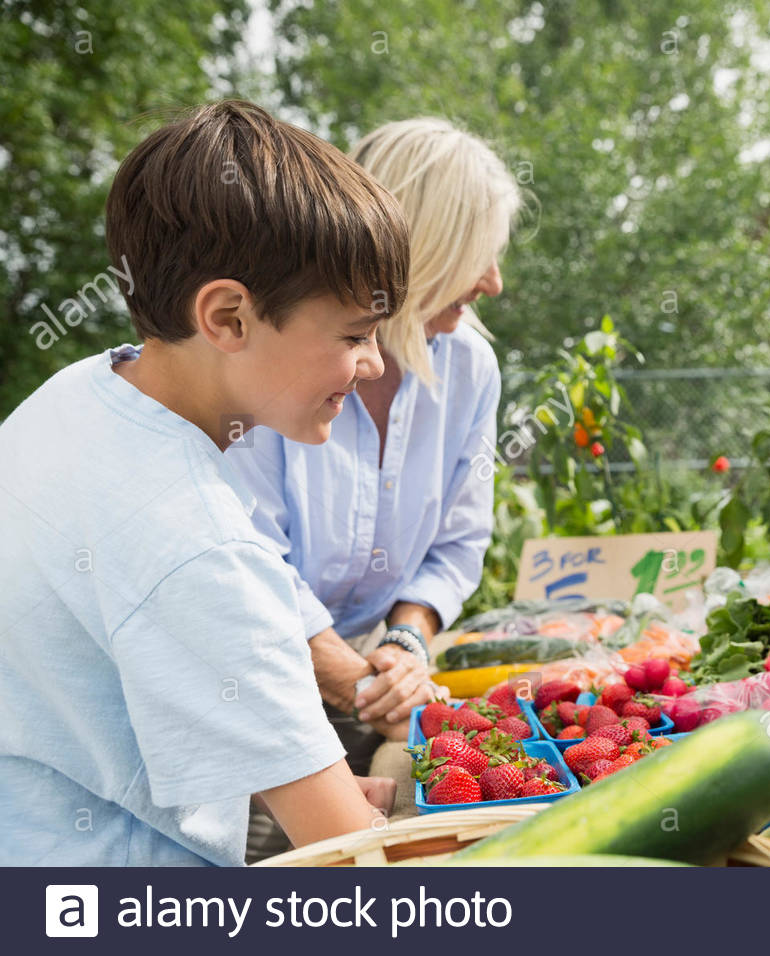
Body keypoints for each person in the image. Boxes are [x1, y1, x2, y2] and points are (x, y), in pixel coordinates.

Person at [0, 101, 409, 865]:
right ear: (227, 318)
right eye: (354, 334)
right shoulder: (200, 544)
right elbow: (357, 864)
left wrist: (290, 773)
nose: (375, 364)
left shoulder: (76, 398)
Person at [228, 118, 521, 856]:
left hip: (366, 662)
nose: (493, 282)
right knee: (270, 857)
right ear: (417, 251)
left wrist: (404, 640)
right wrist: (351, 678)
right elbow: (247, 554)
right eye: (476, 255)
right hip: (253, 663)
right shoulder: (278, 357)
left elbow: (457, 542)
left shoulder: (471, 368)